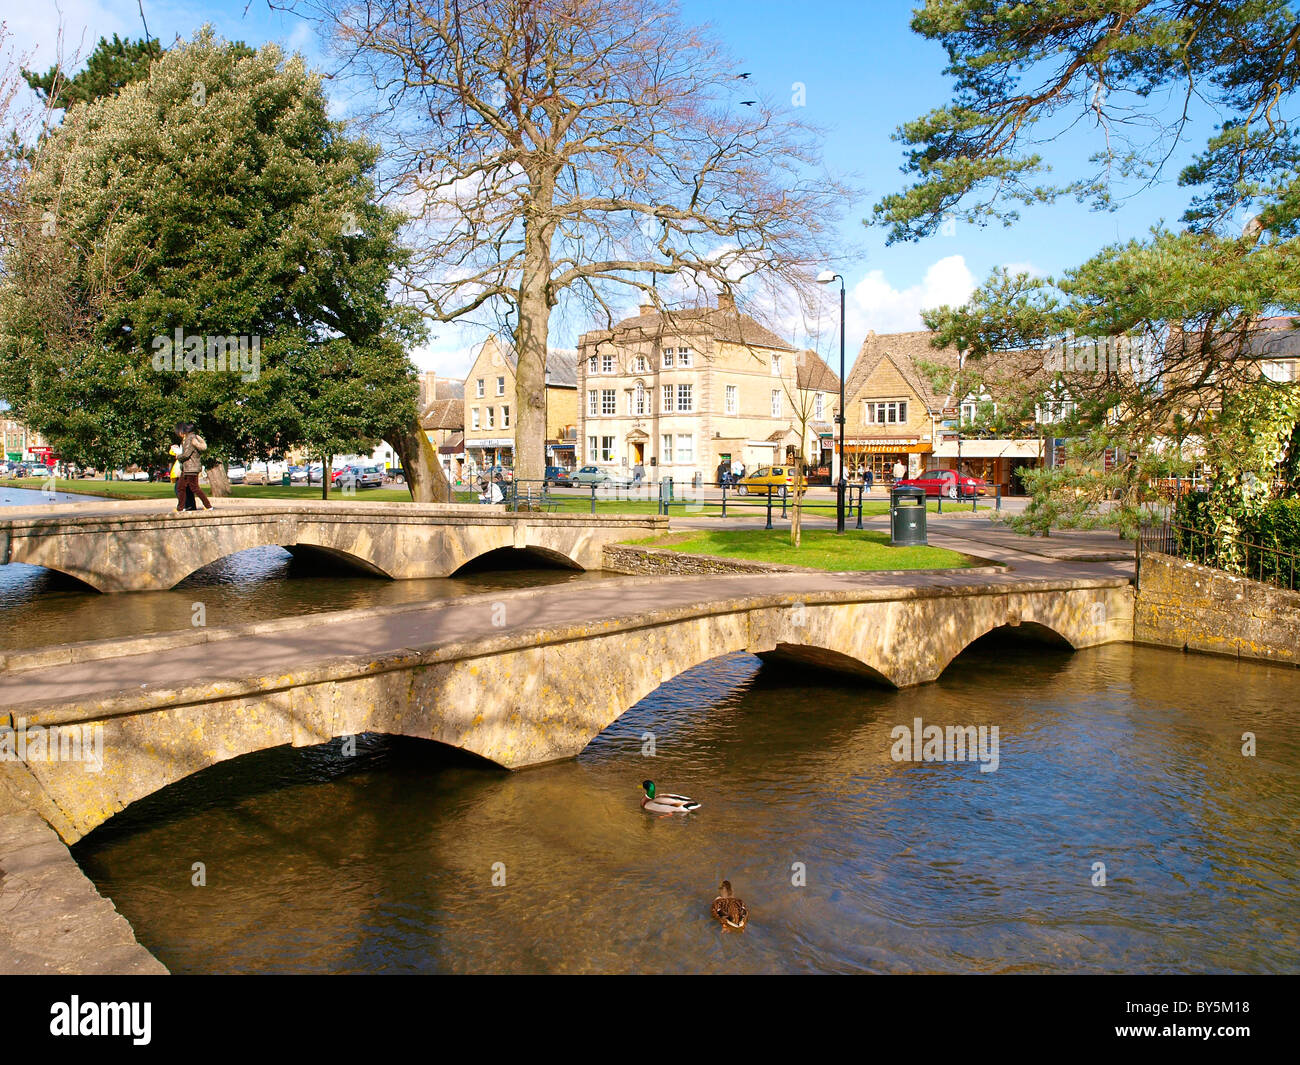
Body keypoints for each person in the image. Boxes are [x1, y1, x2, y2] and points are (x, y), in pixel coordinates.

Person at [174, 423, 212, 512]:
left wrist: (178, 456)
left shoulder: (189, 439)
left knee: (191, 488)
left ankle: (208, 506)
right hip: (190, 468)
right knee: (181, 487)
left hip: (189, 468)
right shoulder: (192, 438)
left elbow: (186, 454)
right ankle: (181, 508)